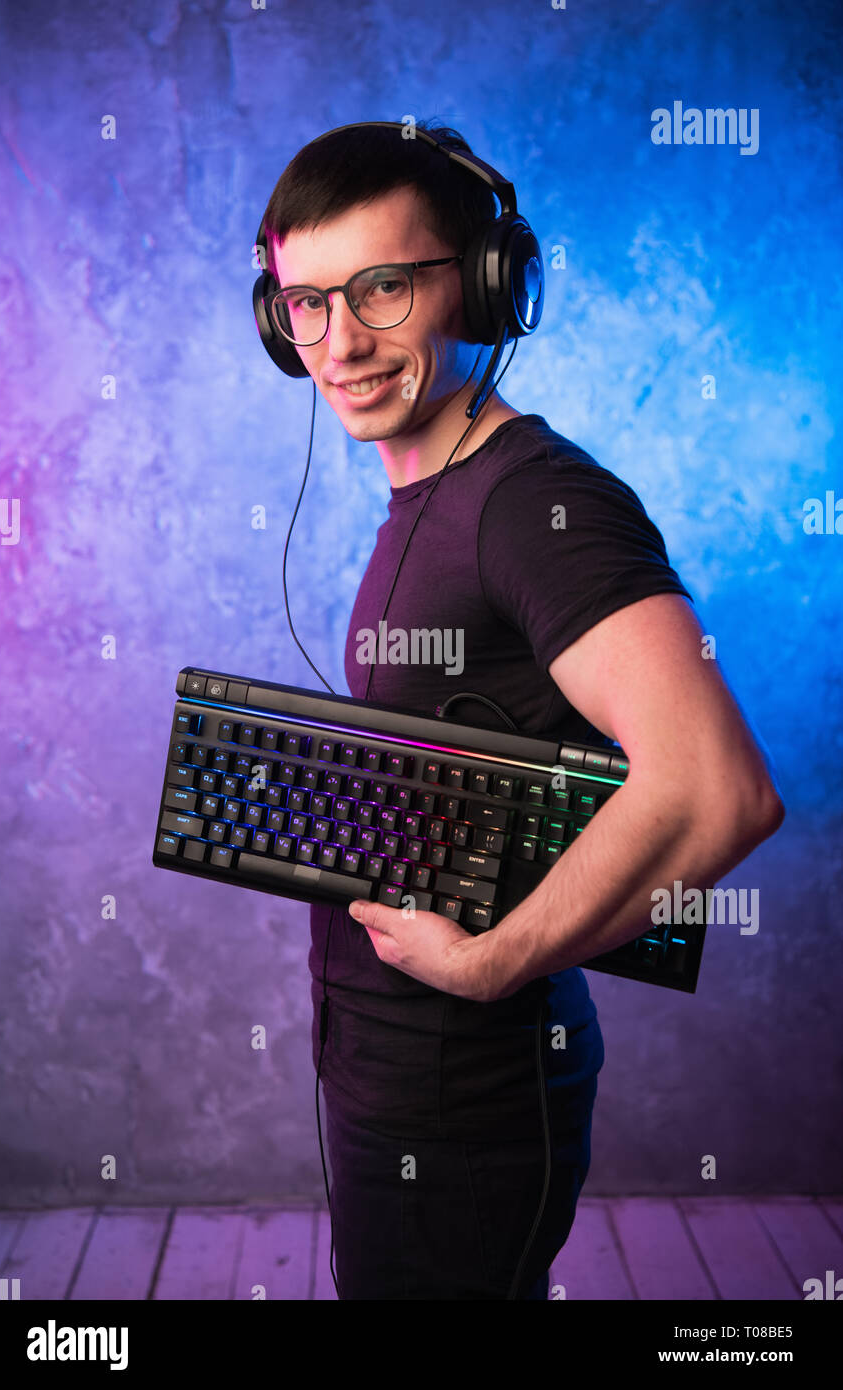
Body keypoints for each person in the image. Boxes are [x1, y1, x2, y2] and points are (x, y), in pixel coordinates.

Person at [255, 120, 785, 1300]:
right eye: (305, 303)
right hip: (393, 1075)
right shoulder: (436, 491)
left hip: (469, 1094)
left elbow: (719, 789)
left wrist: (499, 961)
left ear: (488, 287)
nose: (338, 343)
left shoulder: (534, 506)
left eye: (382, 289)